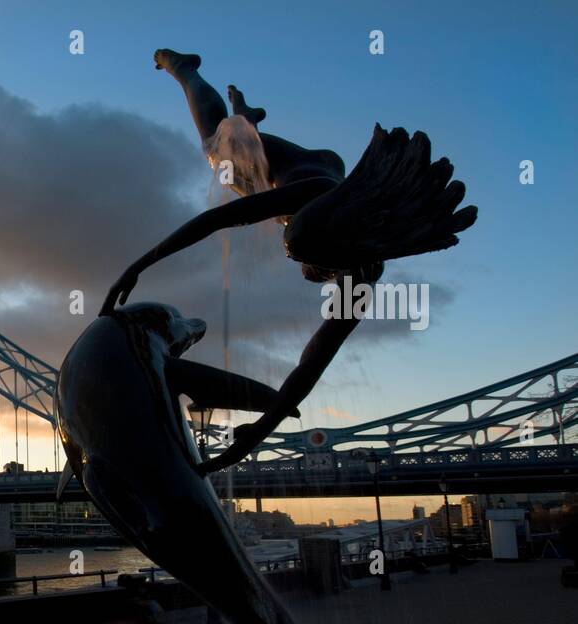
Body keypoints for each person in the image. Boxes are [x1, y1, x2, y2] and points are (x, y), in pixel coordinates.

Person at [104, 50, 476, 472]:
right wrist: (141, 264)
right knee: (216, 147)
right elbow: (217, 219)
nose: (303, 269)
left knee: (242, 178)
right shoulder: (313, 200)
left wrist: (264, 425)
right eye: (298, 255)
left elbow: (312, 360)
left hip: (323, 172)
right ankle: (185, 69)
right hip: (298, 169)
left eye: (303, 258)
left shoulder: (363, 268)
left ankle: (246, 118)